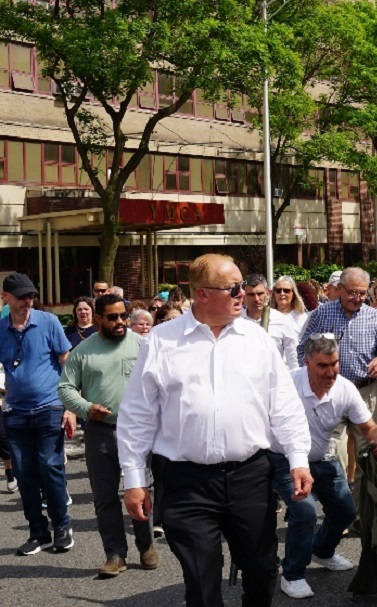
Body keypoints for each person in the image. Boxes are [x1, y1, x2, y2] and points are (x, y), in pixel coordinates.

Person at [118, 253, 313, 607]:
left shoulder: (257, 340)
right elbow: (137, 415)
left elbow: (284, 405)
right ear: (202, 294)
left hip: (250, 477)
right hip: (185, 482)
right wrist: (134, 480)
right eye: (234, 288)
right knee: (202, 580)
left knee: (262, 569)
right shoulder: (161, 342)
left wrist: (298, 459)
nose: (245, 294)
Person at [272, 333, 377, 599]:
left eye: (334, 363)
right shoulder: (287, 384)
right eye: (323, 365)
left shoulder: (345, 388)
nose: (330, 371)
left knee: (346, 511)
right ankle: (293, 574)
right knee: (305, 511)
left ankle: (321, 551)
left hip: (323, 457)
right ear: (307, 362)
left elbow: (369, 426)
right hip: (284, 459)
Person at [57, 293, 158, 577]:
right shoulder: (83, 352)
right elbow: (65, 389)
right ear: (98, 318)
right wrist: (86, 408)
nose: (119, 322)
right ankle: (115, 554)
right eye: (112, 317)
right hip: (100, 432)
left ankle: (146, 543)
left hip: (138, 431)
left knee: (139, 489)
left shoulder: (142, 345)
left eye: (123, 316)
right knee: (104, 496)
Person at [300, 266, 377, 510]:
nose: (358, 298)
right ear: (340, 289)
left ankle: (362, 511)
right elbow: (303, 350)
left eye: (363, 293)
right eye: (352, 292)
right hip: (334, 392)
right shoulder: (323, 314)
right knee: (335, 454)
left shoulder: (373, 316)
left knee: (369, 453)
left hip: (367, 392)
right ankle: (340, 511)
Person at [0, 272, 75, 556]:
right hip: (16, 412)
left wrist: (70, 406)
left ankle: (62, 526)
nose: (28, 301)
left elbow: (67, 364)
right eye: (22, 297)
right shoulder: (0, 329)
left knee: (49, 466)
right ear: (6, 297)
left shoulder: (49, 322)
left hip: (49, 406)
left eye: (31, 295)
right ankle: (37, 532)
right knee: (24, 473)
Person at [244, 274, 299, 370]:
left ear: (267, 293)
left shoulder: (282, 321)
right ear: (244, 296)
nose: (256, 299)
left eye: (260, 293)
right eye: (251, 295)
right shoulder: (236, 320)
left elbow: (293, 358)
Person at [271, 275, 309, 340]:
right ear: (274, 293)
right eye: (278, 290)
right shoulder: (268, 316)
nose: (282, 293)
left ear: (293, 293)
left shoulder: (302, 318)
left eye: (286, 290)